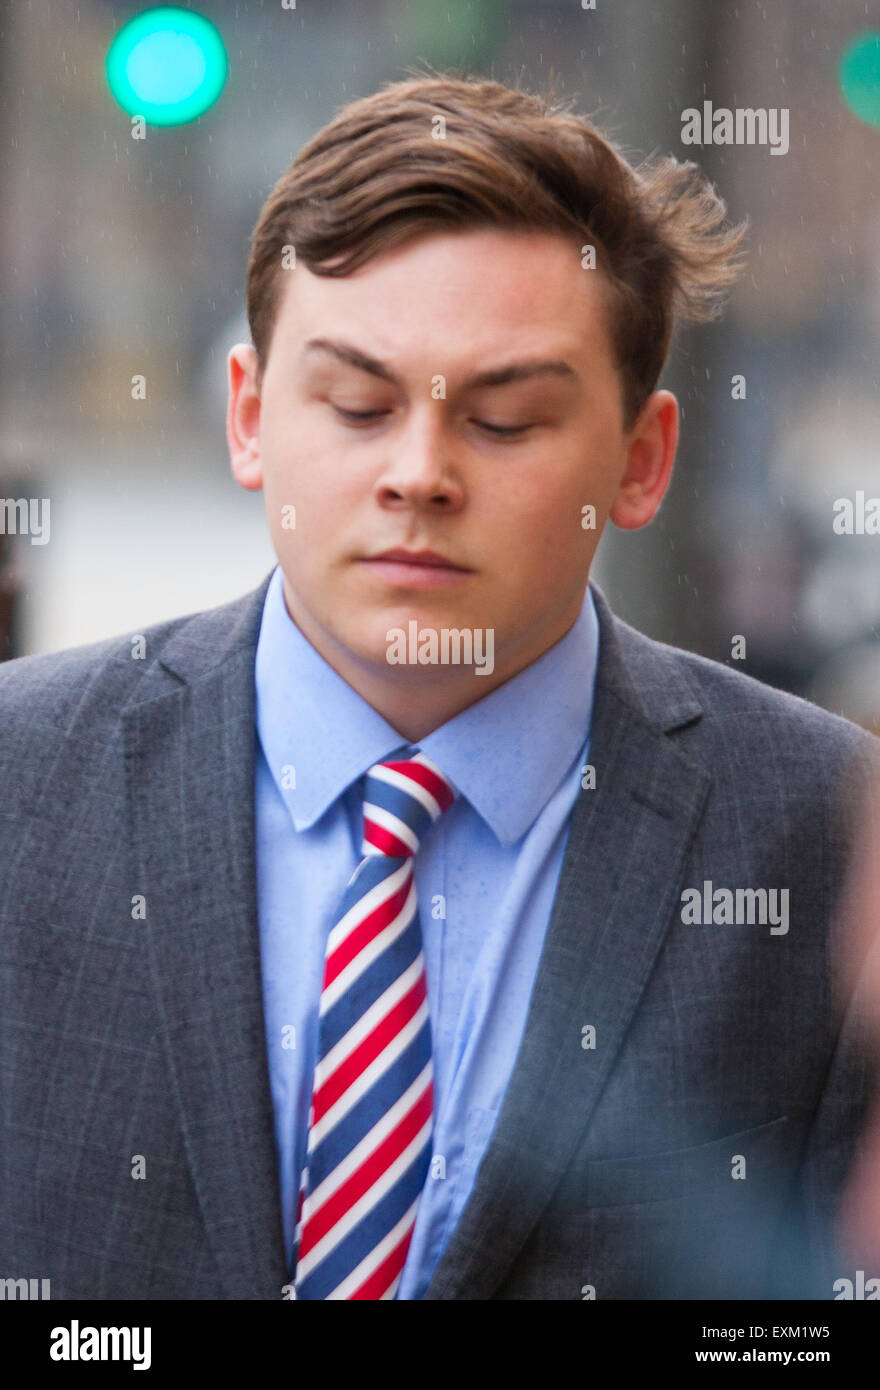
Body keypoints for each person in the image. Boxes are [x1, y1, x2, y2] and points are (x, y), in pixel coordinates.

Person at [2, 71, 879, 1301]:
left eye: (506, 420)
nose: (418, 472)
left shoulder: (826, 829)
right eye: (356, 403)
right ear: (249, 418)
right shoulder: (20, 784)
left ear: (641, 459)